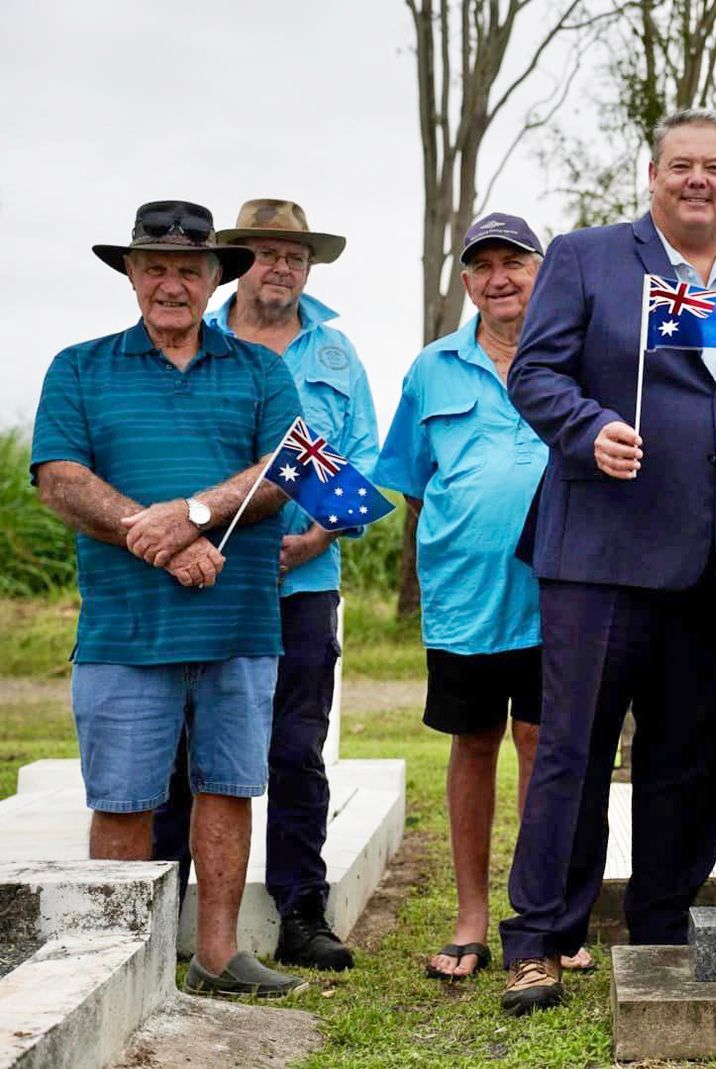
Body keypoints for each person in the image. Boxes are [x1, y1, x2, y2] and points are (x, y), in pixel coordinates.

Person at [499, 107, 716, 1014]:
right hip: (601, 559)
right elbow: (534, 372)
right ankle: (542, 939)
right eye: (681, 166)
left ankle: (664, 929)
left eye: (714, 166)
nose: (697, 180)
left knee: (695, 758)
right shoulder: (588, 258)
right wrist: (589, 430)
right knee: (572, 752)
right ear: (652, 174)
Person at [31, 201, 305, 998]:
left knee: (228, 785)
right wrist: (152, 535)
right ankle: (117, 966)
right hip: (124, 627)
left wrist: (194, 515)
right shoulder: (79, 367)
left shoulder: (259, 370)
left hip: (240, 620)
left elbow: (285, 469)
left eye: (190, 269)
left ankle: (216, 955)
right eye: (154, 267)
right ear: (131, 275)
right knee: (123, 796)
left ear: (217, 277)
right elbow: (59, 479)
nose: (171, 283)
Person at [150, 199, 377, 972]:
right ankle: (164, 908)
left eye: (296, 255)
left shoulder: (336, 356)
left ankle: (301, 912)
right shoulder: (193, 342)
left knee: (295, 747)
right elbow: (171, 454)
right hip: (206, 578)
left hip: (304, 584)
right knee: (186, 748)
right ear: (238, 263)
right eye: (266, 252)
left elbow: (362, 463)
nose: (281, 267)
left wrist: (316, 537)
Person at [375, 212, 592, 981]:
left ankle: (545, 917)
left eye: (516, 262)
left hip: (558, 593)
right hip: (465, 599)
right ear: (467, 281)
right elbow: (409, 480)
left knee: (545, 747)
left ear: (543, 272)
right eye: (484, 265)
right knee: (473, 746)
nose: (500, 278)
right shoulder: (433, 367)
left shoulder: (577, 356)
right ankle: (471, 916)